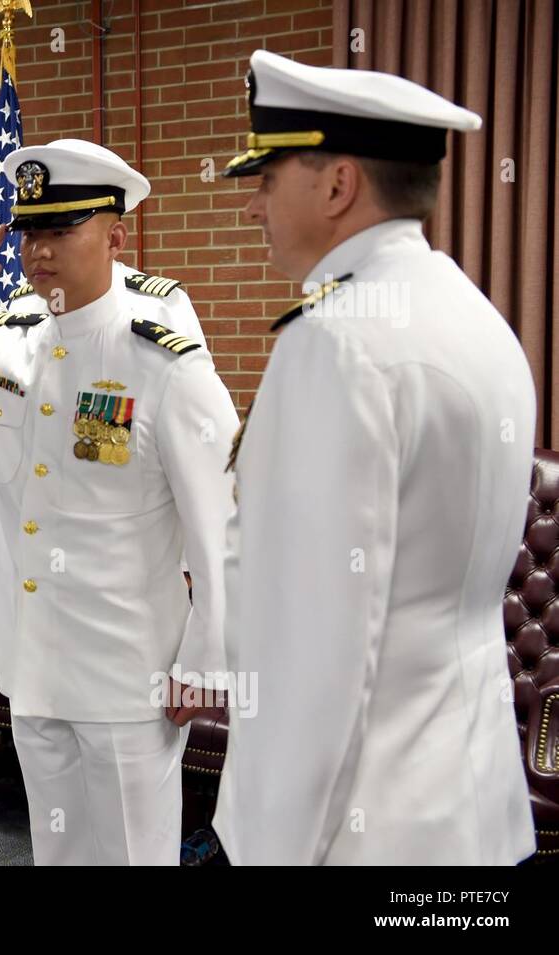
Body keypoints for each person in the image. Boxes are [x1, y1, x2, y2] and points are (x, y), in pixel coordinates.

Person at [0, 138, 238, 865]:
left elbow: (221, 523)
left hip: (129, 672)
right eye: (31, 230)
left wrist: (203, 658)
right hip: (31, 658)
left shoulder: (162, 359)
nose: (40, 250)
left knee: (132, 853)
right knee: (58, 850)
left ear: (115, 233)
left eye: (62, 228)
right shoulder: (4, 344)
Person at [214, 49, 537, 865]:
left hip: (363, 825)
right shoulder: (474, 315)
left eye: (267, 177)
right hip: (473, 802)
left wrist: (272, 849)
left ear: (337, 184)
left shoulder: (335, 344)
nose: (253, 207)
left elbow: (314, 648)